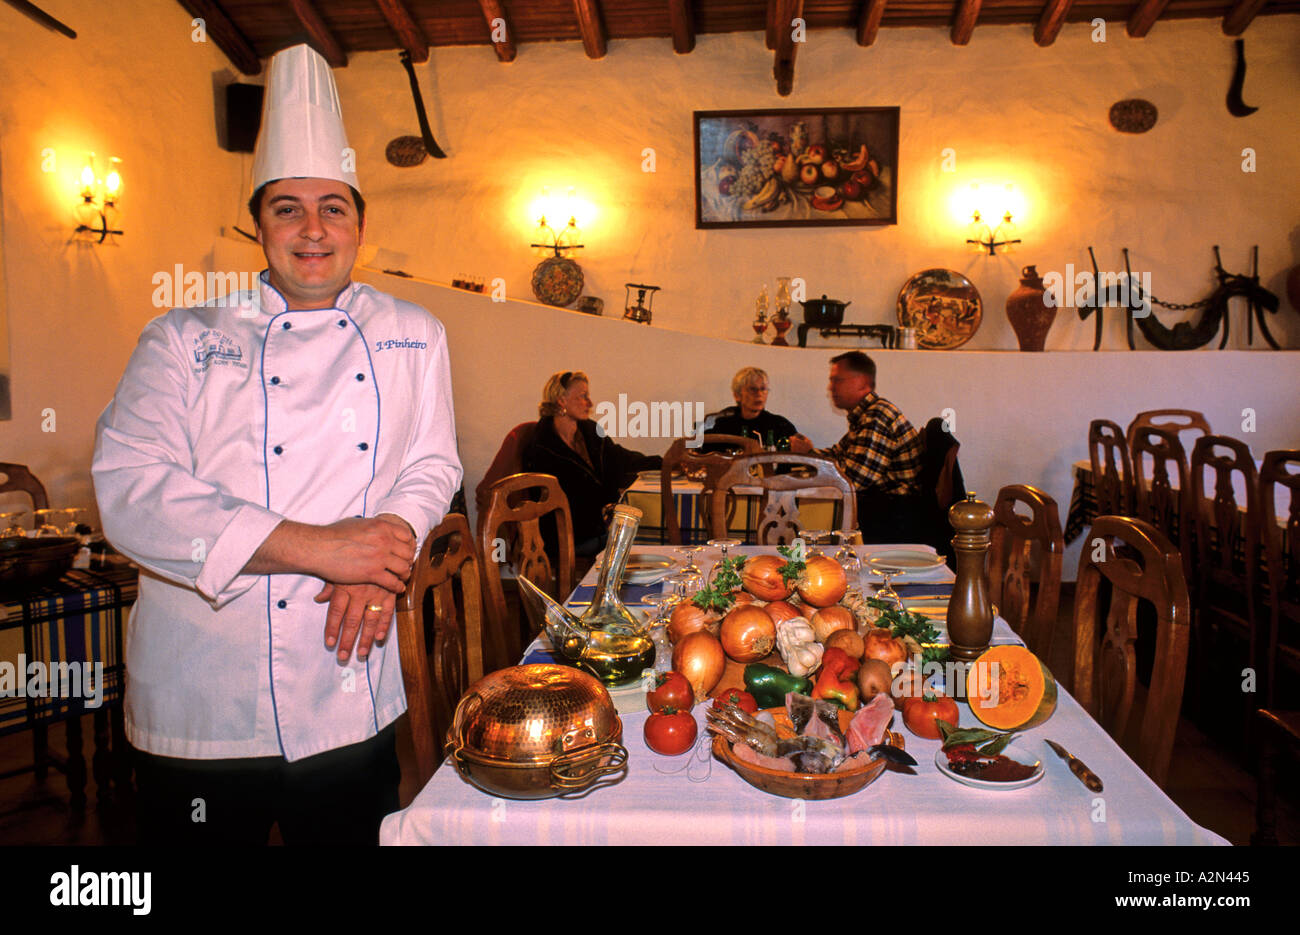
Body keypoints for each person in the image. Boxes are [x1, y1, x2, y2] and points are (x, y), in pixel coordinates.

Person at [91, 45, 462, 845]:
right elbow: (131, 489)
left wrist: (383, 556)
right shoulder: (182, 336)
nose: (313, 229)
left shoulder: (412, 333)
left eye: (334, 206)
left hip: (347, 678)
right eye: (287, 207)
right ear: (257, 224)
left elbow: (432, 464)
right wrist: (327, 550)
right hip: (203, 695)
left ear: (362, 221)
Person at [521, 370, 661, 559]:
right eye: (583, 396)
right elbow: (561, 502)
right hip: (570, 537)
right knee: (645, 537)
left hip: (600, 527)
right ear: (561, 400)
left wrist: (664, 463)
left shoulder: (590, 430)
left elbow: (622, 458)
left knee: (651, 529)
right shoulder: (542, 446)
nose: (590, 403)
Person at [789, 351, 924, 542]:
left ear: (862, 382)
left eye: (838, 381)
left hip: (894, 517)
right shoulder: (865, 414)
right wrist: (808, 454)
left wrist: (806, 463)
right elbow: (838, 454)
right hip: (884, 510)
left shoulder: (877, 416)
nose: (830, 388)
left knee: (801, 525)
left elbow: (853, 481)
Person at [701, 366, 798, 448]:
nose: (759, 394)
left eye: (763, 389)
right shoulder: (724, 425)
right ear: (737, 395)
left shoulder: (780, 425)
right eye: (753, 389)